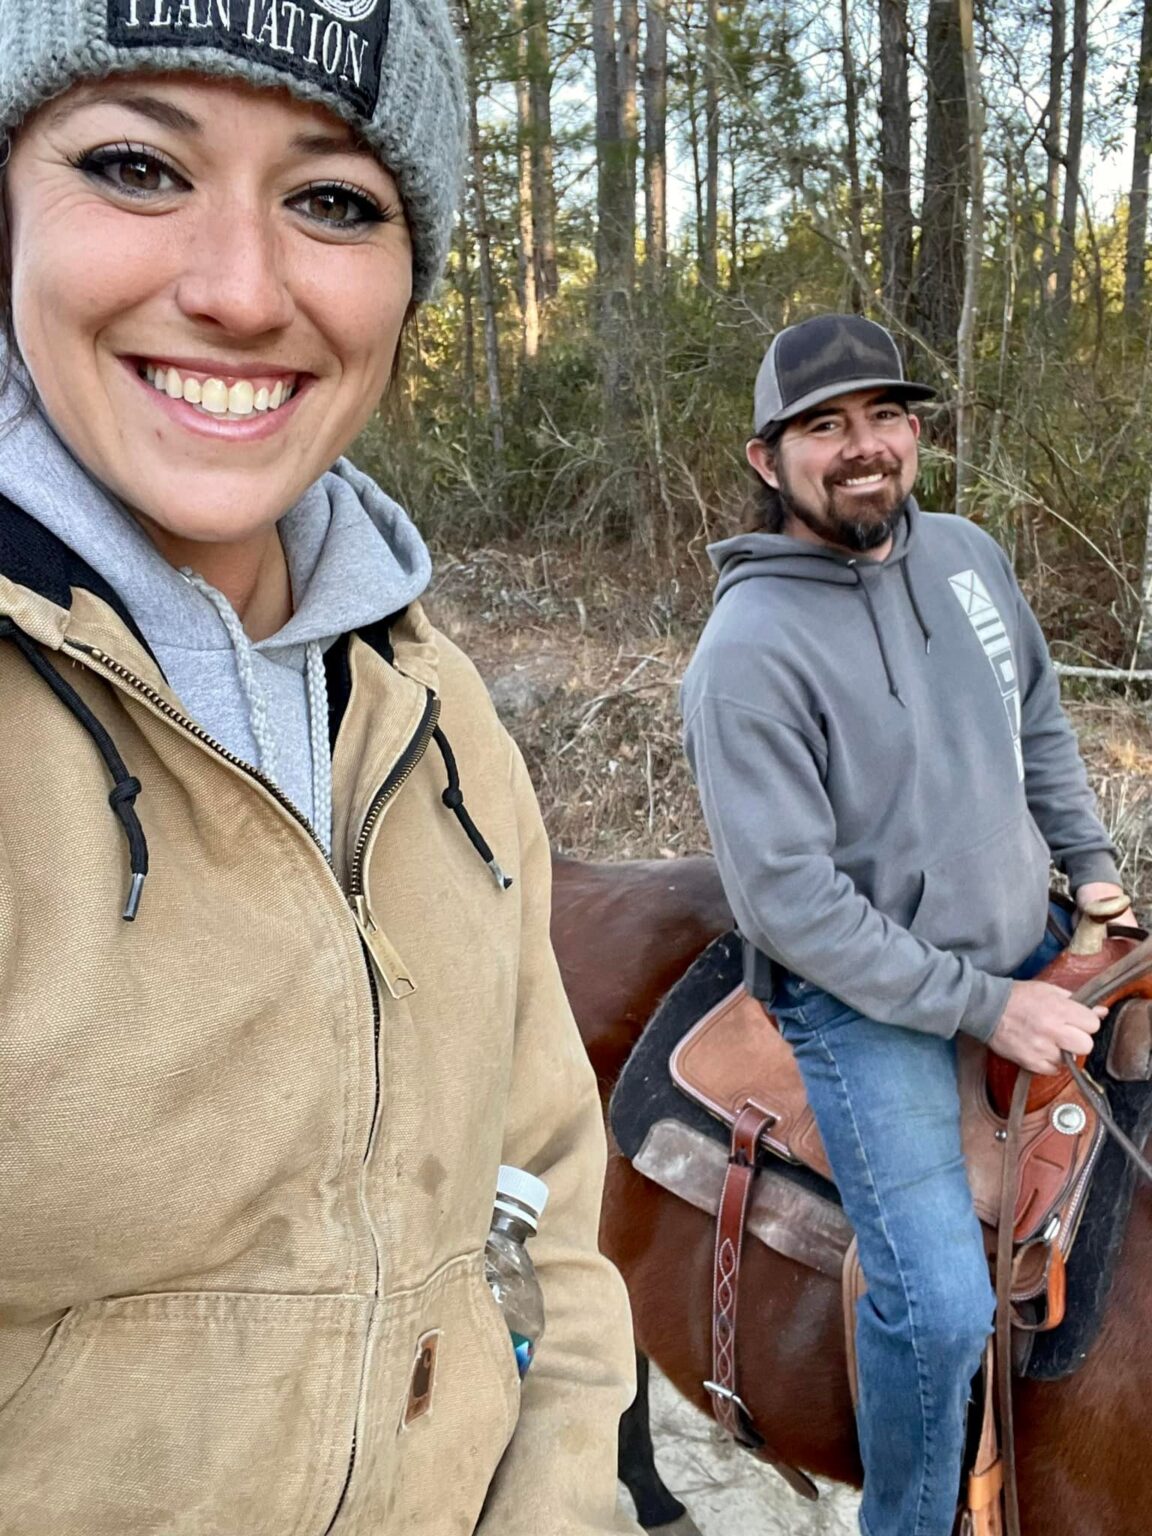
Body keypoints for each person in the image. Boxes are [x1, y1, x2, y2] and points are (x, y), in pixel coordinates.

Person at [0, 7, 639, 1533]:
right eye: (137, 165)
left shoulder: (446, 715)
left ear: (409, 278)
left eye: (335, 199)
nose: (235, 288)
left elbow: (543, 1185)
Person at [680, 313, 1132, 1536]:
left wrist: (1089, 869)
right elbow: (793, 904)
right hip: (861, 1003)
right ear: (768, 459)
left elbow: (1033, 719)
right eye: (823, 425)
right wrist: (992, 1006)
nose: (863, 445)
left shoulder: (971, 558)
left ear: (917, 434)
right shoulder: (747, 655)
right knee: (934, 1301)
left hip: (1029, 933)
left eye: (885, 416)